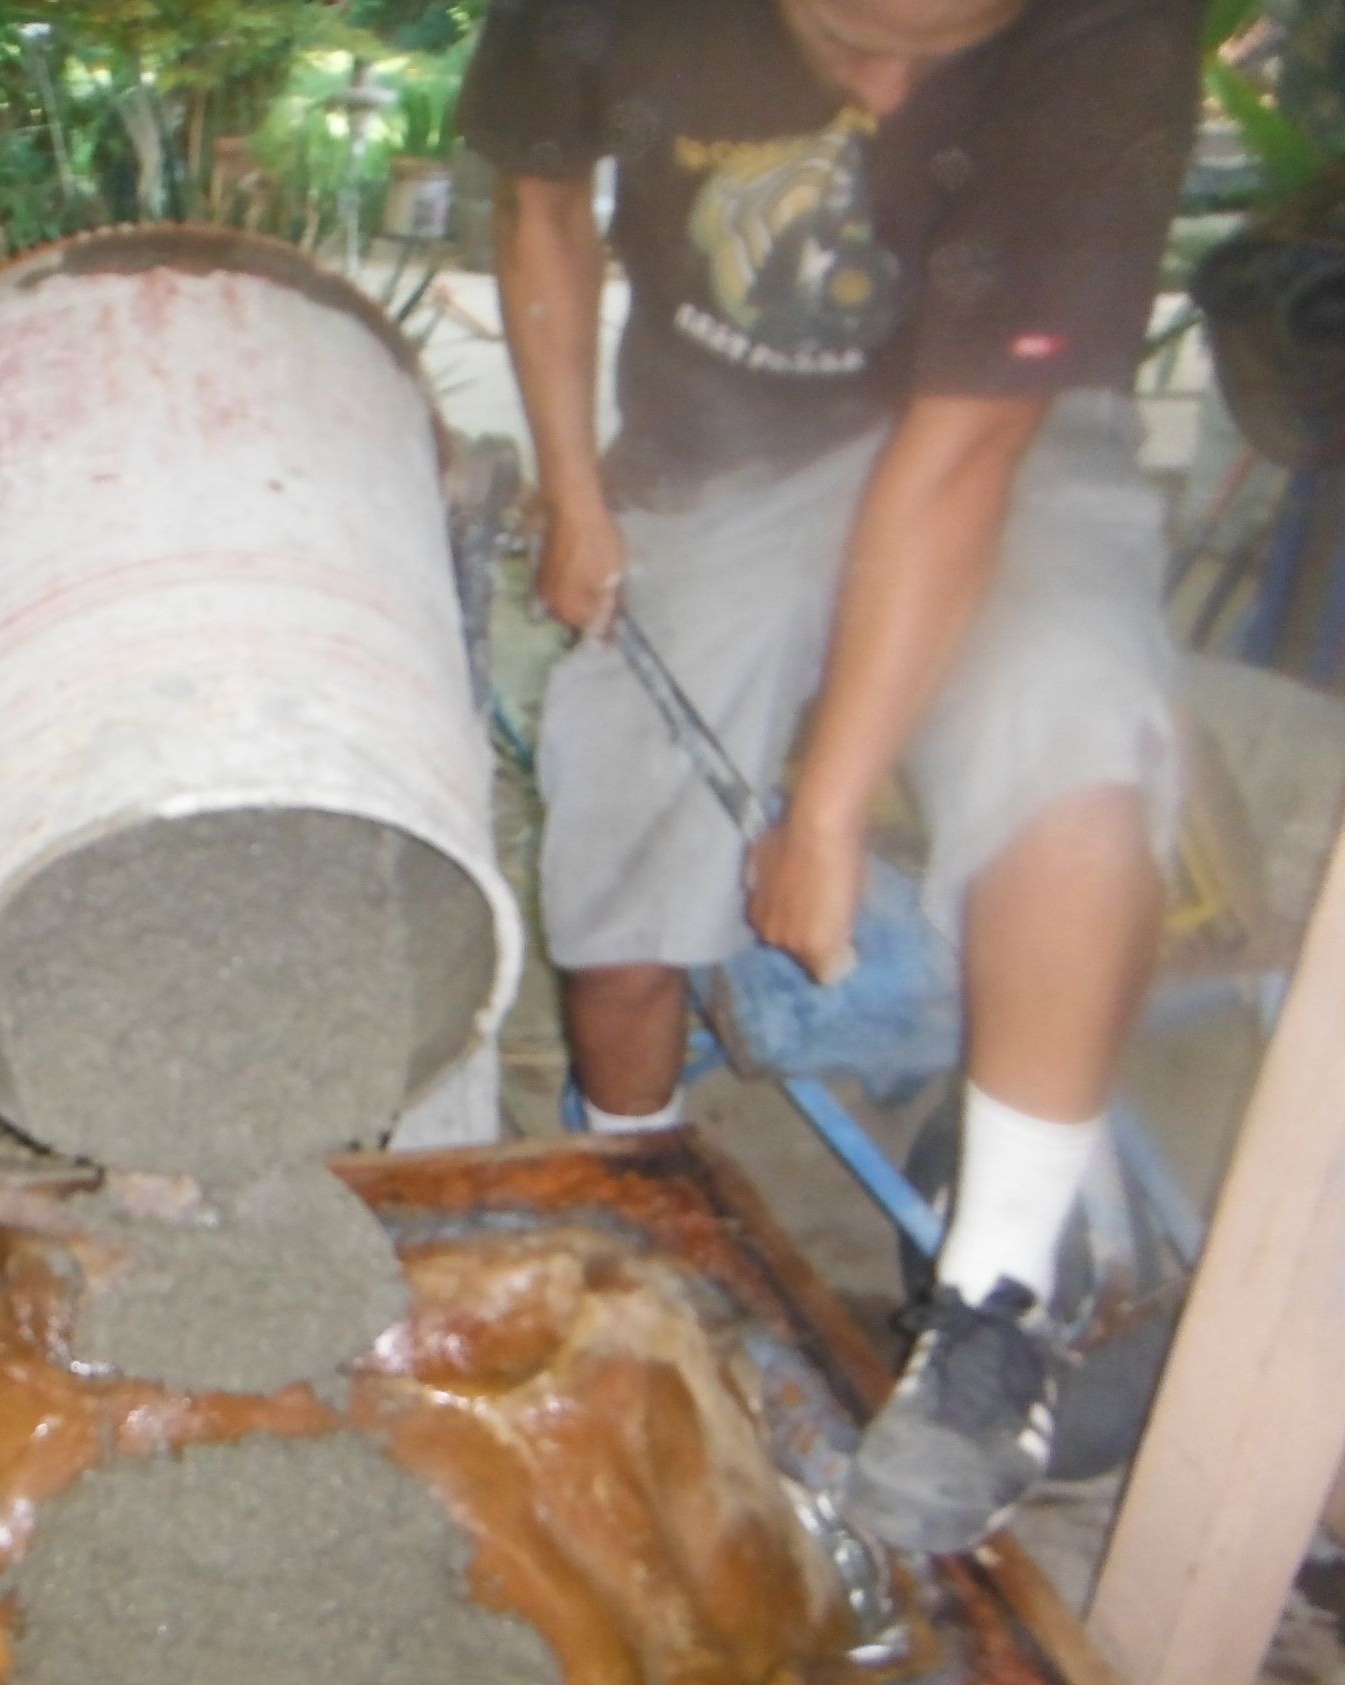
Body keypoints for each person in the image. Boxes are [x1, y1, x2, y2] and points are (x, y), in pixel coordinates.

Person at [459, 0, 1202, 1552]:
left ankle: (994, 1315)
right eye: (852, 32)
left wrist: (832, 810)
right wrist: (577, 496)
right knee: (622, 857)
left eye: (943, 47)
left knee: (1076, 738)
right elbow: (540, 201)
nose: (884, 88)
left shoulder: (1112, 24)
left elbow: (960, 463)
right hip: (718, 448)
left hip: (996, 429)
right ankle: (631, 1209)